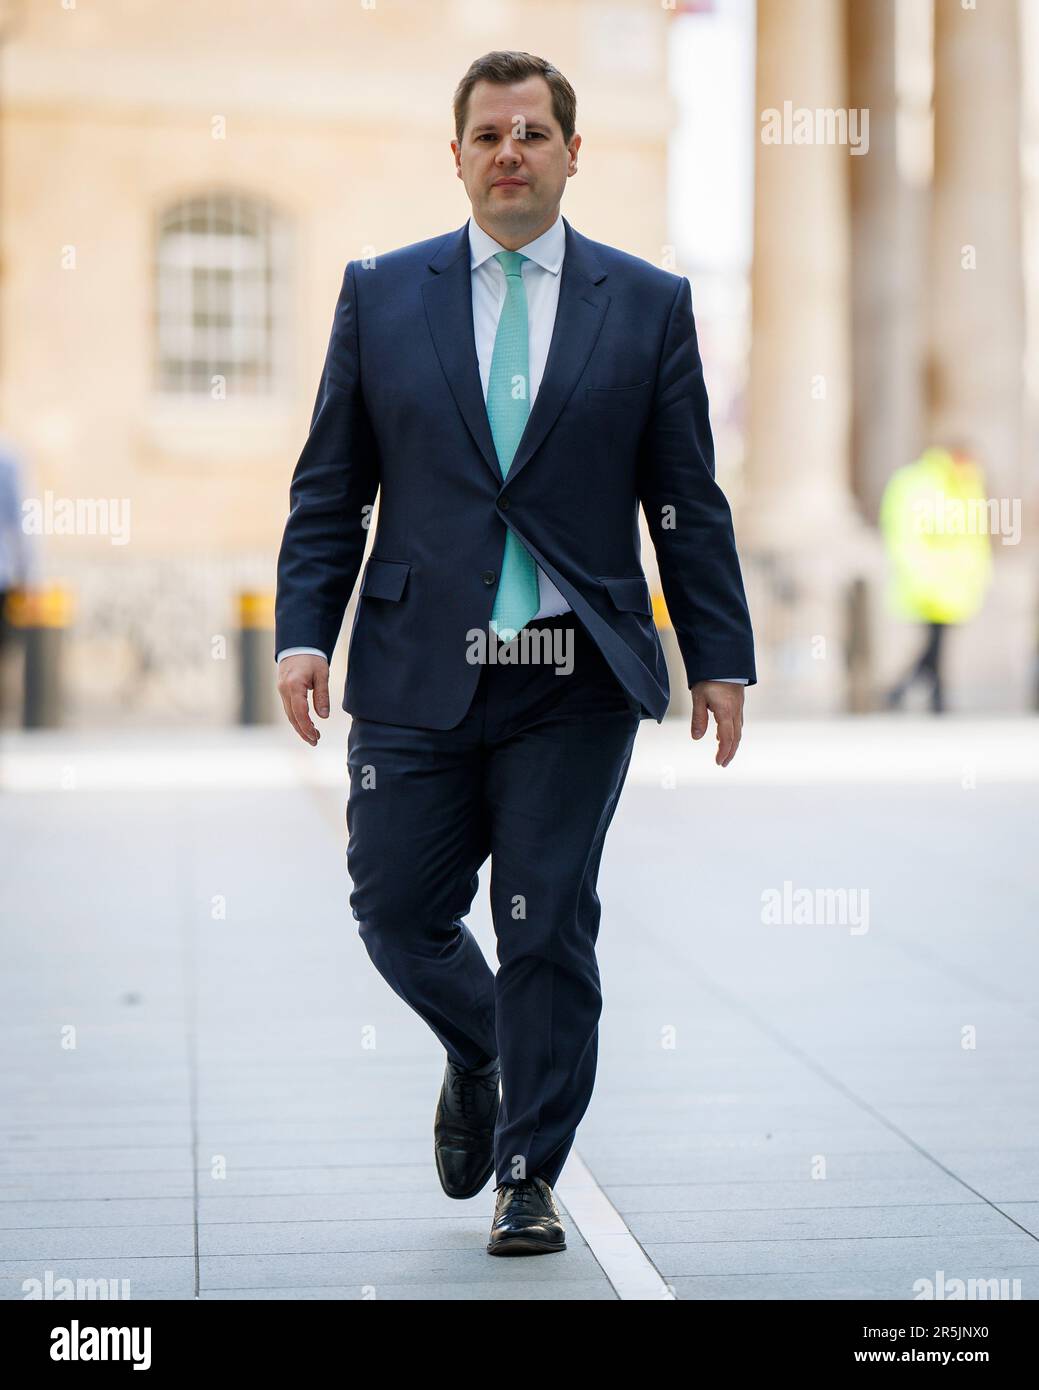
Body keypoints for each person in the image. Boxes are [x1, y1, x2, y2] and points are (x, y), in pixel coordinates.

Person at [274, 51, 756, 1257]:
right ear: (456, 156)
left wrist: (718, 652)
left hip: (573, 670)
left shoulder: (644, 303)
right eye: (488, 134)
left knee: (545, 922)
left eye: (533, 133)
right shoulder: (380, 294)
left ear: (570, 154)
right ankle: (485, 1044)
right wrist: (301, 632)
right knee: (395, 906)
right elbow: (331, 487)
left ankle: (528, 1172)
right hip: (416, 663)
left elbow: (682, 496)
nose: (510, 152)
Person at [879, 444, 992, 714]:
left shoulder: (966, 484)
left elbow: (974, 536)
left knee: (937, 641)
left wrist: (978, 571)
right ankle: (928, 695)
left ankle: (910, 691)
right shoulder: (917, 483)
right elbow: (904, 531)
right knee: (936, 640)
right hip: (929, 578)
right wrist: (916, 569)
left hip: (954, 580)